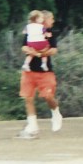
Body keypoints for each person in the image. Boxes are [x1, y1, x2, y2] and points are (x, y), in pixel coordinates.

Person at [18, 9, 62, 139]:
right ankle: (32, 126)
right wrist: (30, 51)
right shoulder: (31, 31)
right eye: (51, 18)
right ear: (44, 19)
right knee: (28, 98)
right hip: (29, 71)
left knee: (48, 96)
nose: (53, 21)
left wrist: (41, 54)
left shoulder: (50, 33)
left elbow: (53, 50)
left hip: (45, 72)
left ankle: (56, 114)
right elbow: (24, 46)